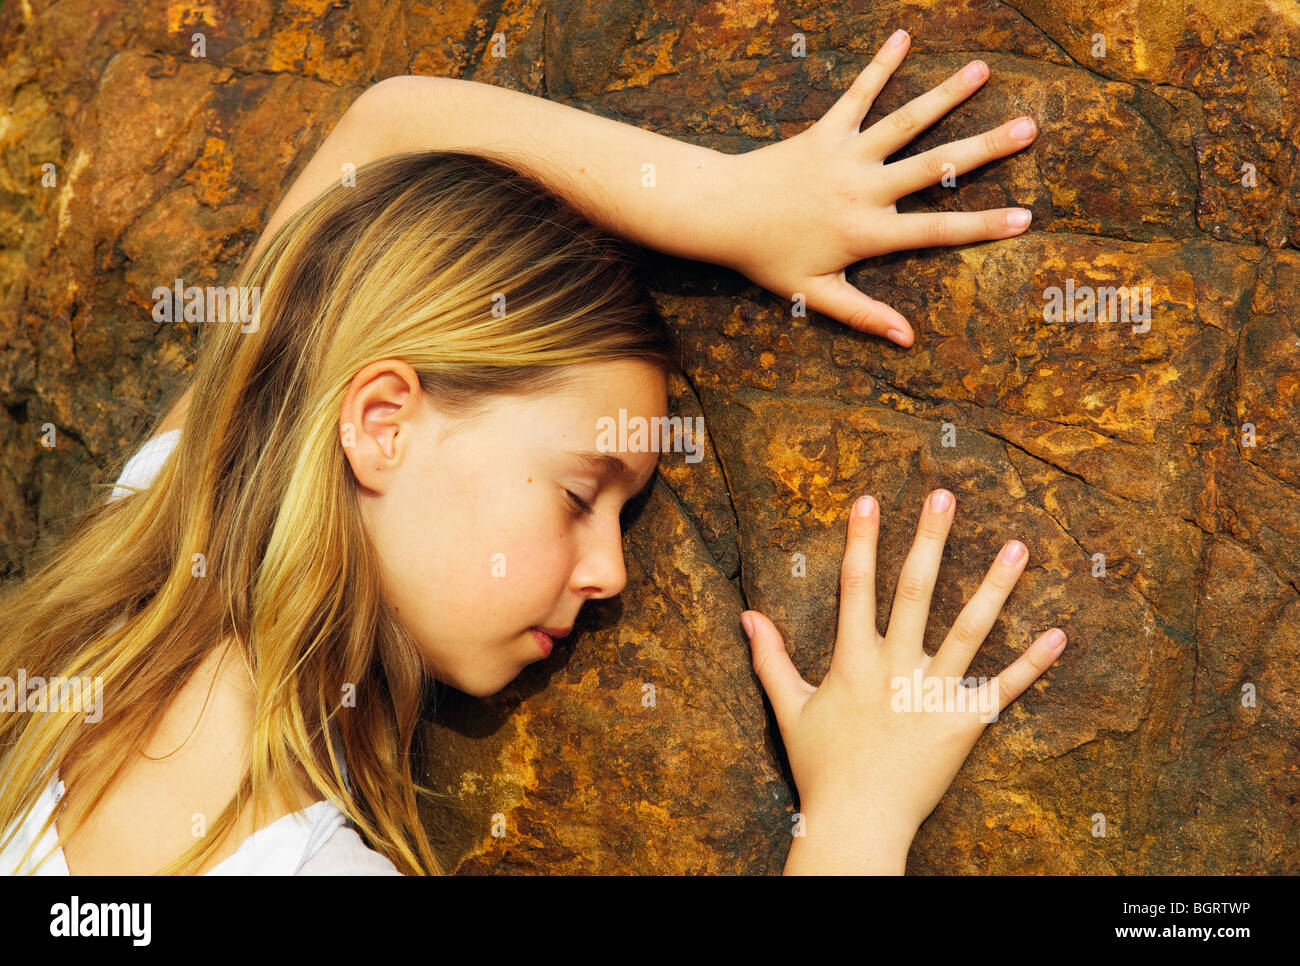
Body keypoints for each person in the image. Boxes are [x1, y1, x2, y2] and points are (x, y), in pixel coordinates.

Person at [0, 28, 1064, 875]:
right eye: (576, 493)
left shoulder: (119, 595)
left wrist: (729, 203)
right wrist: (856, 821)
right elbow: (390, 134)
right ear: (382, 424)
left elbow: (391, 129)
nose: (609, 576)